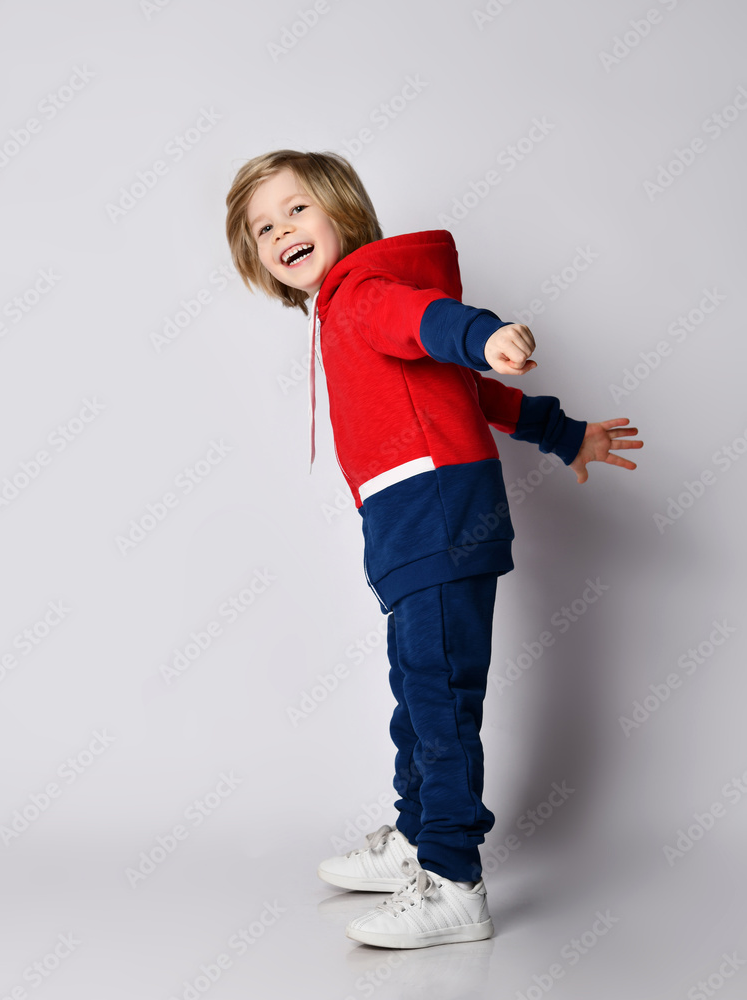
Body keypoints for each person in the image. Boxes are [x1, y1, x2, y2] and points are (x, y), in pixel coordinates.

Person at [225, 149, 642, 949]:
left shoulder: (367, 294)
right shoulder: (341, 308)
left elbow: (432, 325)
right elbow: (468, 392)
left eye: (296, 210)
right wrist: (562, 433)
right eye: (263, 227)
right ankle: (418, 838)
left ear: (343, 211)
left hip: (438, 513)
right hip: (408, 520)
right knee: (419, 688)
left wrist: (484, 336)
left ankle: (453, 881)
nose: (281, 231)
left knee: (440, 699)